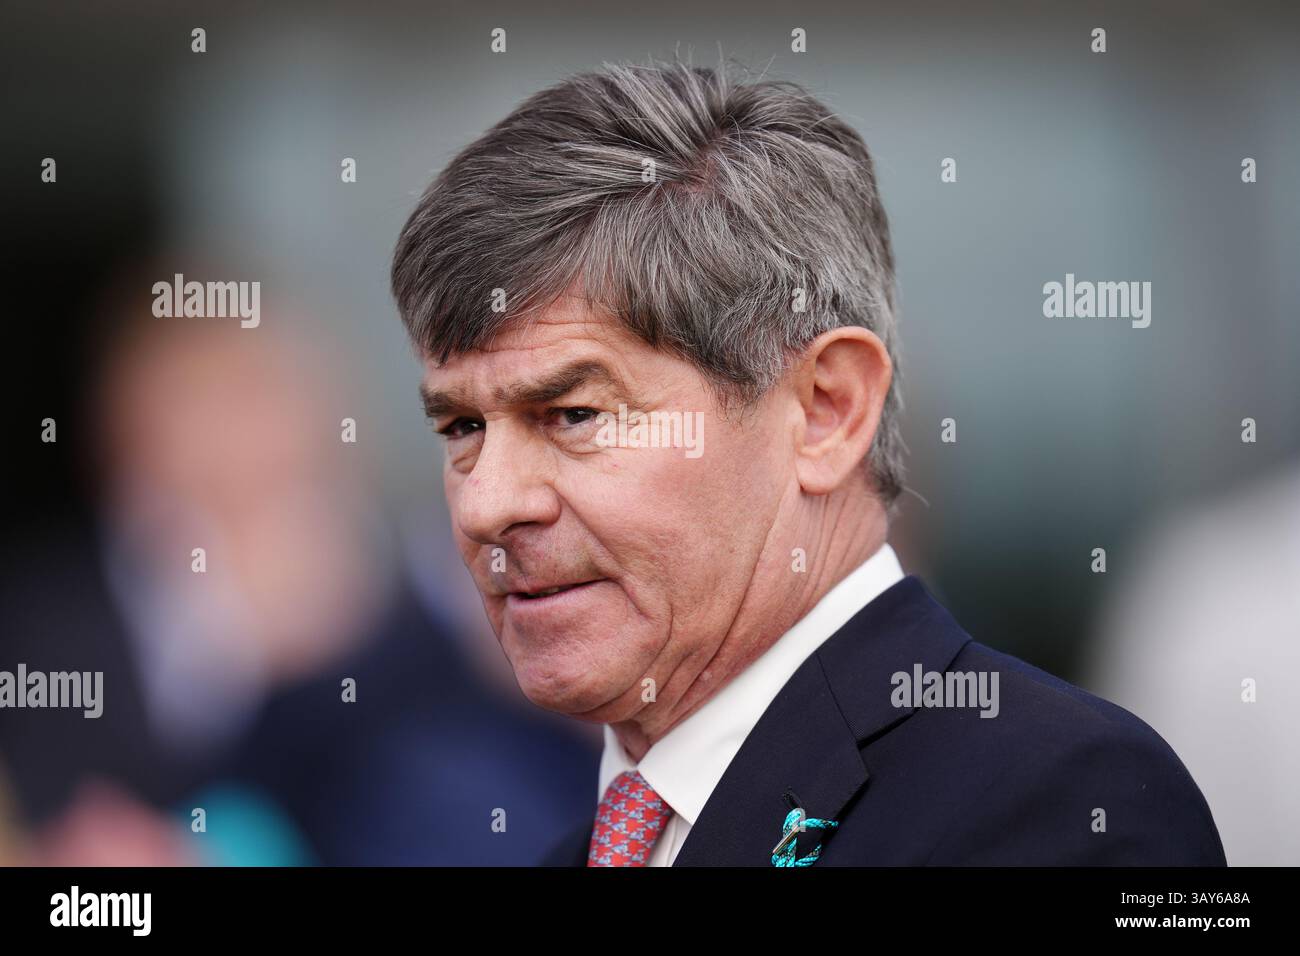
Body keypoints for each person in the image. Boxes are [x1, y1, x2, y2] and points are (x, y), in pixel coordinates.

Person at [388, 59, 1225, 866]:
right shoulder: (585, 848)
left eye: (573, 414)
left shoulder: (1060, 805)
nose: (485, 506)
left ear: (827, 410)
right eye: (462, 427)